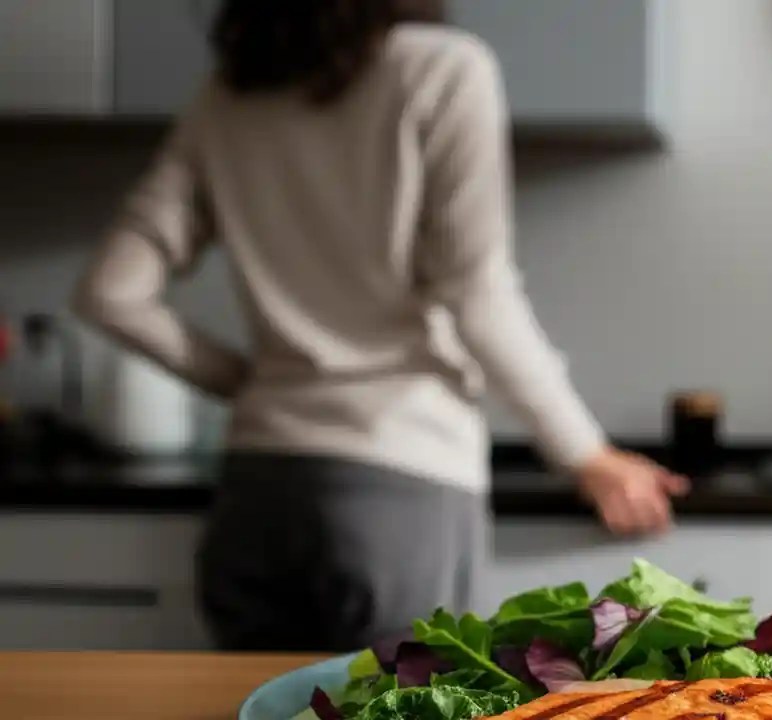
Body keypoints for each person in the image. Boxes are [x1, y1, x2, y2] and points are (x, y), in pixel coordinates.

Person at [73, 0, 687, 652]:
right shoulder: (443, 69)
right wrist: (587, 455)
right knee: (402, 695)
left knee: (259, 701)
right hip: (398, 484)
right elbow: (477, 294)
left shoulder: (226, 96)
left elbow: (110, 293)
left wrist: (252, 384)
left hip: (257, 492)